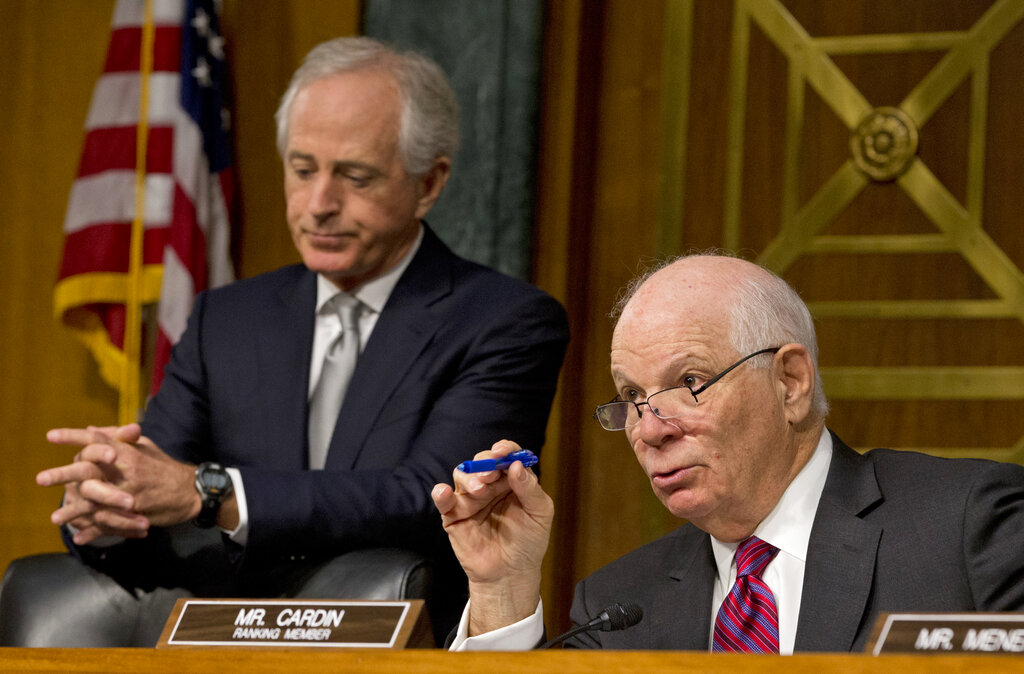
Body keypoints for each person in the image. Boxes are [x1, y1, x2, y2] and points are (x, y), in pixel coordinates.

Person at [28, 36, 568, 645]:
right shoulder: (225, 319)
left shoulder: (505, 321)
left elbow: (433, 496)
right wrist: (108, 504)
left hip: (409, 652)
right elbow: (160, 493)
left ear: (429, 183)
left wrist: (210, 492)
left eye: (355, 177)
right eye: (303, 169)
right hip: (224, 650)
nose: (318, 204)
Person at [432, 253, 1024, 653]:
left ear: (790, 382)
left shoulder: (968, 526)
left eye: (689, 382)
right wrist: (502, 588)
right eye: (632, 397)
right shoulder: (619, 604)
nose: (649, 429)